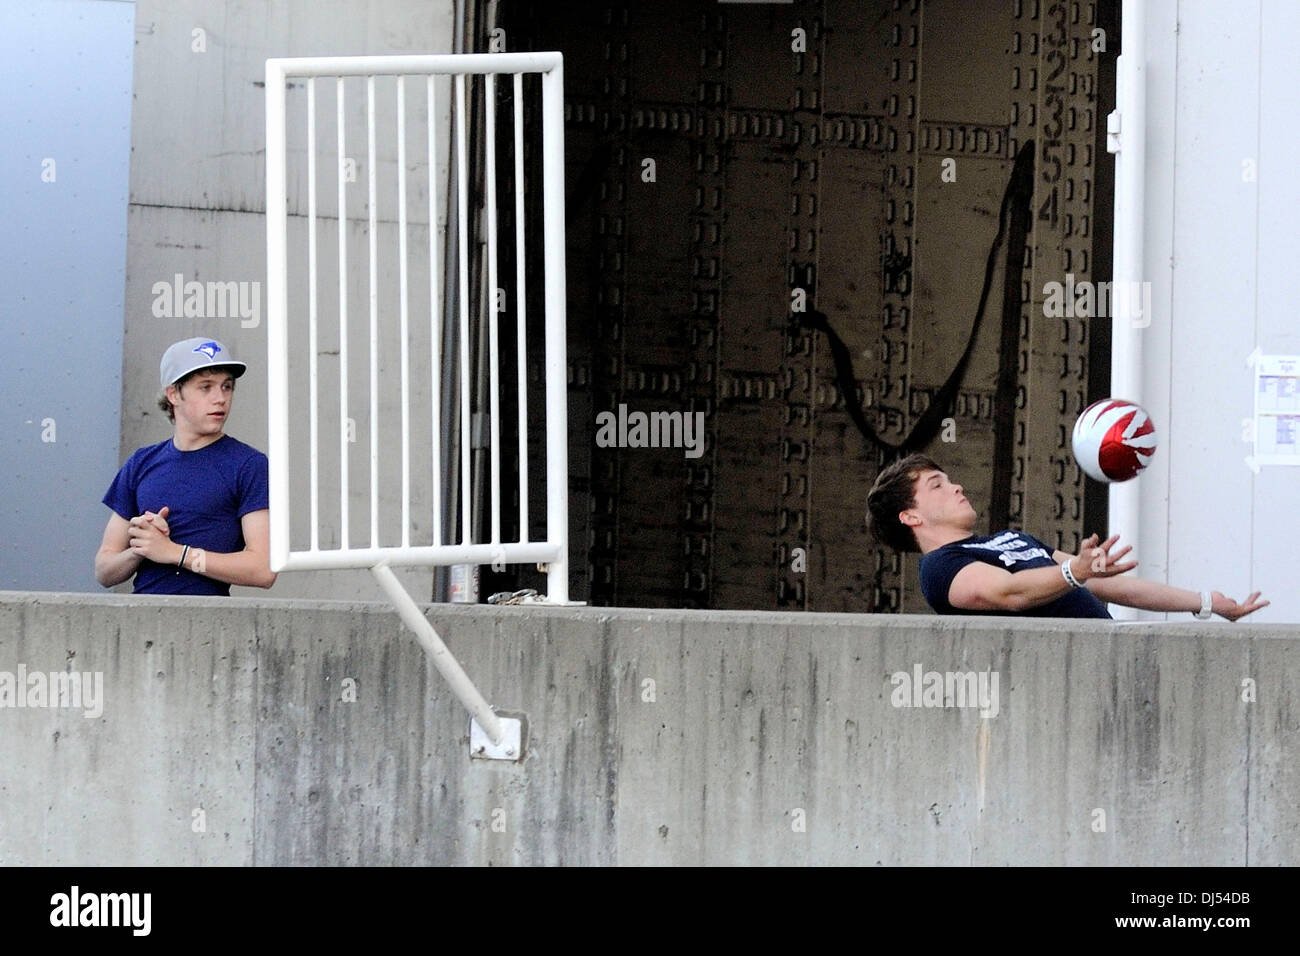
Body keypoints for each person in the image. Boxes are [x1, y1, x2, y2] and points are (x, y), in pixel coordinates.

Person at [865, 453, 1267, 621]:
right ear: (911, 516)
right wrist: (1074, 571)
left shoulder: (1008, 538)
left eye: (950, 479)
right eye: (938, 485)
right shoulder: (938, 568)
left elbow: (1111, 585)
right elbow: (1009, 592)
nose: (955, 487)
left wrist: (1207, 603)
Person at [94, 337, 277, 595]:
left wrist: (175, 553)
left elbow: (264, 569)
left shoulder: (249, 465)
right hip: (140, 622)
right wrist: (142, 549)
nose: (220, 398)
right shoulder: (141, 462)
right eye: (206, 387)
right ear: (173, 394)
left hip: (209, 626)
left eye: (227, 387)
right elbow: (104, 571)